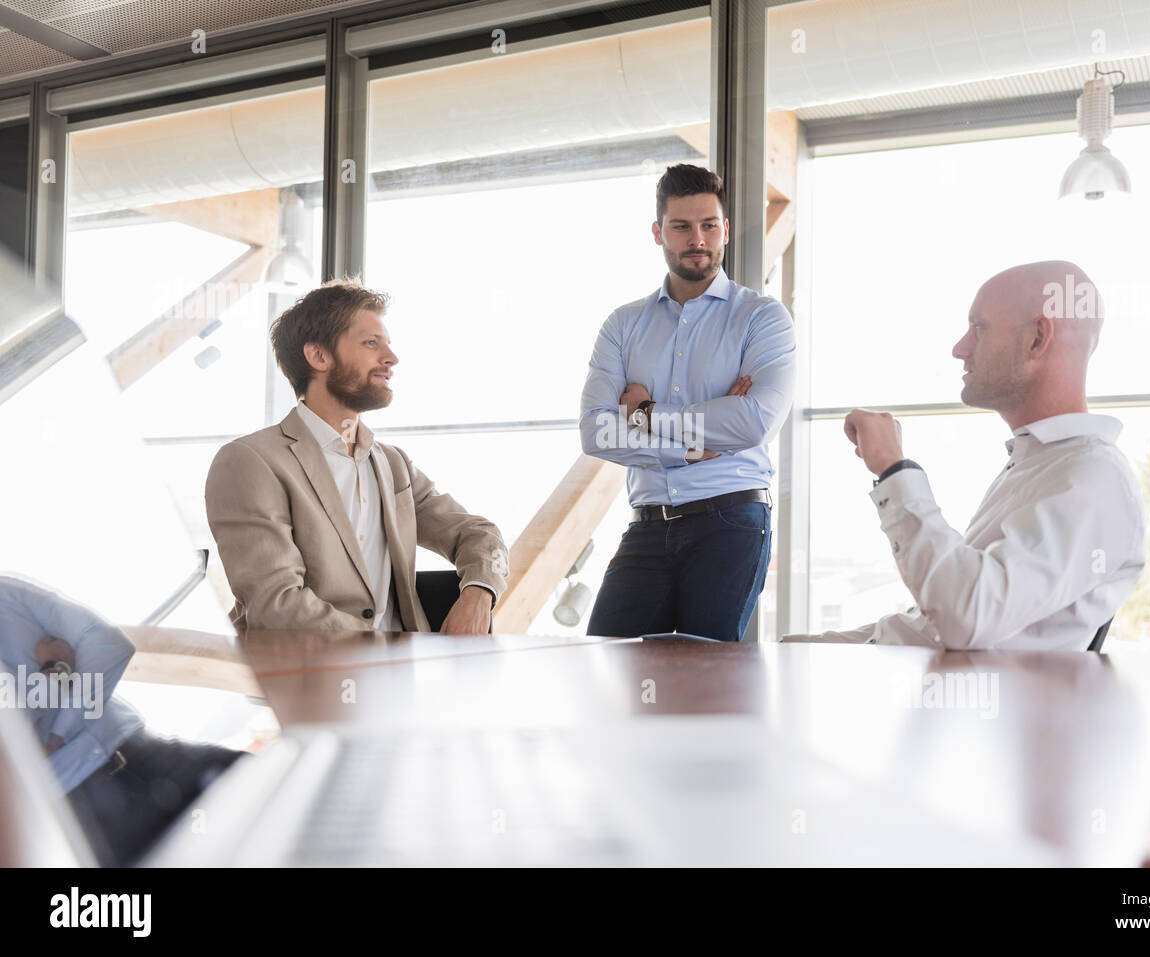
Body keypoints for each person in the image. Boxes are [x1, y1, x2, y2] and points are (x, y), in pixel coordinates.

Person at [785, 261, 1144, 651]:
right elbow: (931, 624)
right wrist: (791, 650)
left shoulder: (1092, 478)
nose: (960, 349)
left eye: (979, 328)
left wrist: (894, 469)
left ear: (1038, 338)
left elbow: (967, 616)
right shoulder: (1041, 465)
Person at [205, 281, 508, 633]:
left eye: (388, 345)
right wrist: (392, 652)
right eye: (371, 343)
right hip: (303, 676)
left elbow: (478, 533)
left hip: (402, 675)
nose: (391, 358)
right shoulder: (250, 461)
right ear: (319, 356)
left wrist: (478, 593)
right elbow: (278, 605)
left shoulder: (393, 465)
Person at [579, 164, 796, 641]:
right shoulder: (623, 324)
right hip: (648, 524)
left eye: (708, 225)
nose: (697, 238)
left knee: (706, 687)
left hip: (731, 520)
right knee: (605, 663)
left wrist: (643, 414)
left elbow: (752, 422)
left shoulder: (762, 318)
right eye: (681, 226)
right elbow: (596, 431)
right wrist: (695, 445)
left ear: (724, 231)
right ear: (659, 233)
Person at [0, 575, 241, 866]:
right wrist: (59, 671)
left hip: (148, 753)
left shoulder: (6, 590)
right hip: (89, 814)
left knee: (287, 785)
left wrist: (55, 735)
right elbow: (18, 743)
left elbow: (109, 644)